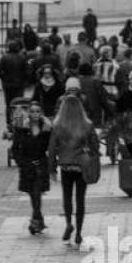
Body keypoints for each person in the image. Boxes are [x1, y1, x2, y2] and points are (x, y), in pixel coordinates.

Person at [47, 85, 98, 246]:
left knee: (67, 197)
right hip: (81, 165)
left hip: (66, 165)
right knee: (80, 199)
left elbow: (52, 148)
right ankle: (79, 233)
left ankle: (69, 223)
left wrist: (52, 167)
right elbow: (95, 146)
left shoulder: (58, 125)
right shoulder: (87, 125)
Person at [12, 100, 50, 234]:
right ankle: (38, 220)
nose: (35, 114)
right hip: (27, 166)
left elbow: (51, 146)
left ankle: (36, 221)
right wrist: (21, 162)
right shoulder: (22, 128)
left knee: (37, 193)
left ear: (41, 113)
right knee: (33, 194)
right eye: (32, 111)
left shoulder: (46, 128)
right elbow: (15, 148)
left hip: (40, 165)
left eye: (37, 111)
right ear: (28, 113)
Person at [0, 41, 29, 130]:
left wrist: (4, 78)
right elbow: (27, 71)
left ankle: (9, 123)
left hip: (7, 85)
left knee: (8, 104)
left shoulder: (4, 58)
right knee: (19, 103)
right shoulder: (22, 58)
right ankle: (18, 122)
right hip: (19, 84)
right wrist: (24, 80)